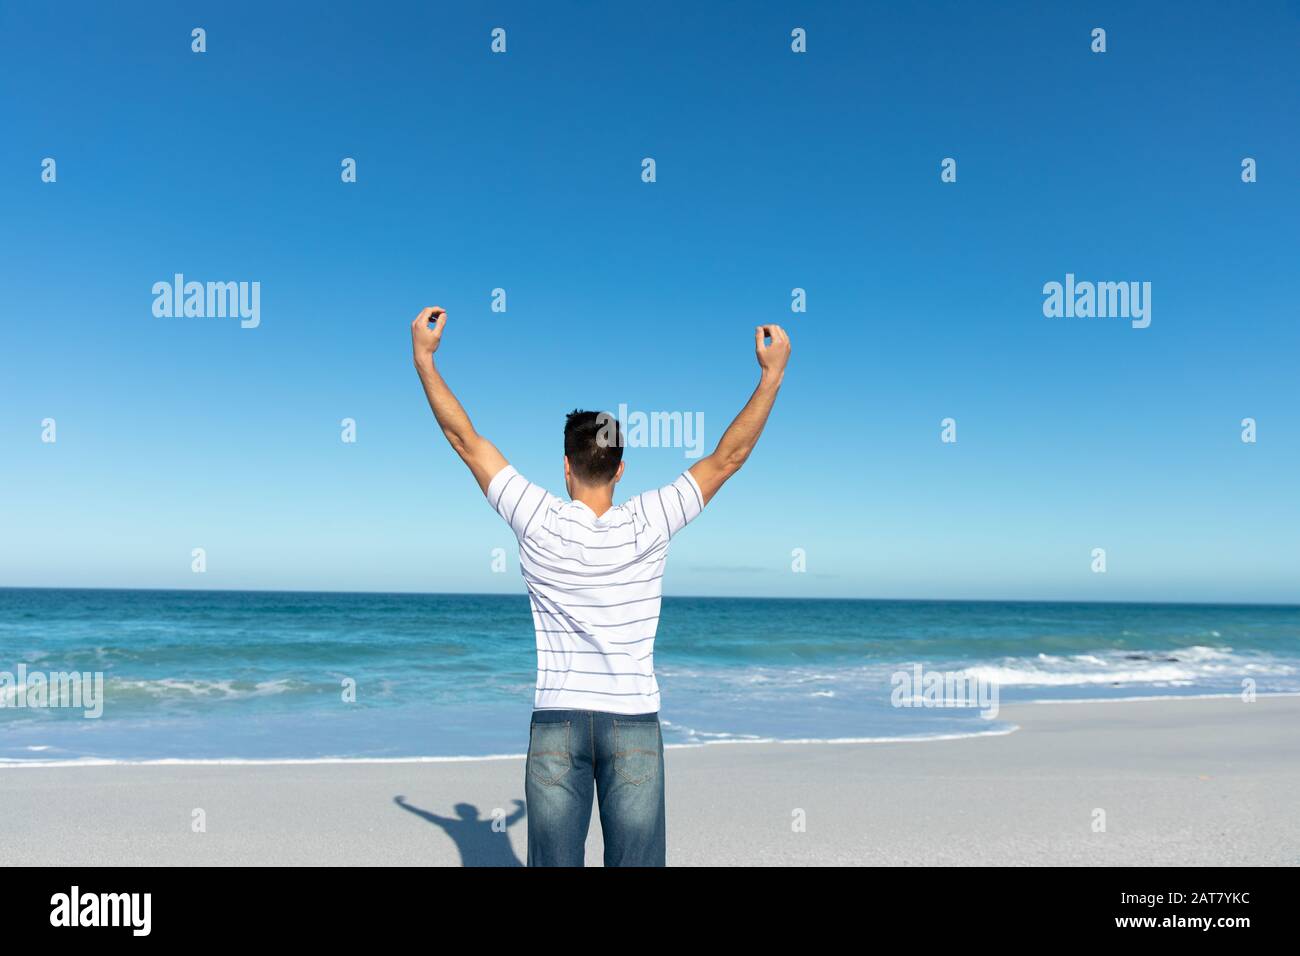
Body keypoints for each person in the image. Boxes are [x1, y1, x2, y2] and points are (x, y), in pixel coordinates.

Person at [410, 306, 790, 866]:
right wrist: (771, 375)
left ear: (566, 467)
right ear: (620, 469)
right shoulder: (650, 519)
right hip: (633, 722)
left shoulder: (536, 517)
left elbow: (465, 440)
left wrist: (424, 358)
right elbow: (727, 458)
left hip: (556, 724)